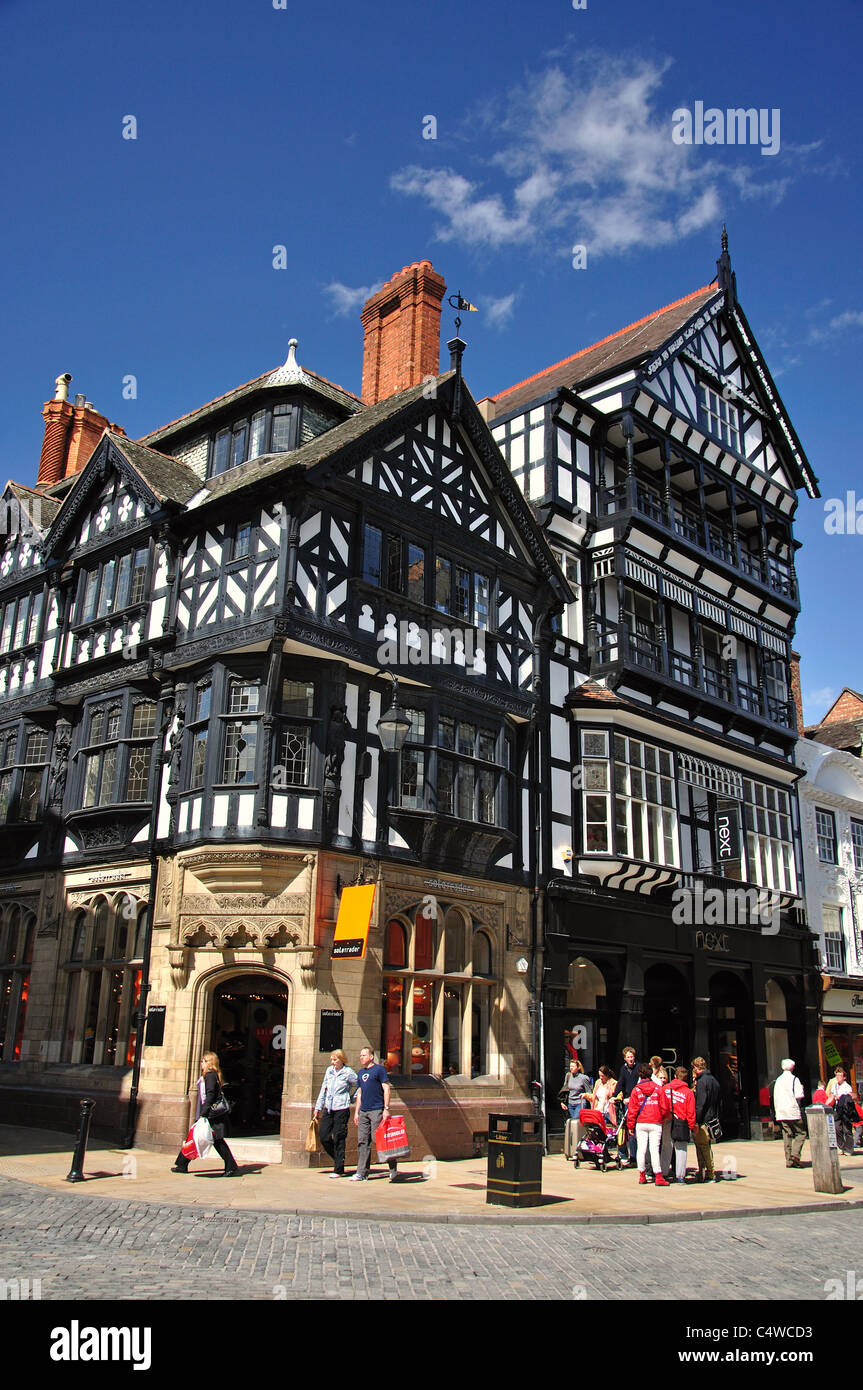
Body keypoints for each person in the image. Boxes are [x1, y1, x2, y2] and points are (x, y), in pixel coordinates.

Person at [172, 1052, 240, 1177]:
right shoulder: (212, 1075)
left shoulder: (210, 1075)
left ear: (209, 1063)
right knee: (197, 1137)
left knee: (209, 1140)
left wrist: (204, 1113)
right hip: (210, 1114)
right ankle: (182, 1164)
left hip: (211, 1115)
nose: (201, 1063)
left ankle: (231, 1166)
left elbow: (210, 1094)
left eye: (203, 1061)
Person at [351, 1046, 398, 1182]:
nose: (361, 1057)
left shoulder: (379, 1070)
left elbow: (386, 1088)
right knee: (362, 1141)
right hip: (364, 1111)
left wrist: (386, 1108)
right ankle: (362, 1172)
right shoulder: (360, 1073)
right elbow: (359, 1093)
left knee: (378, 1139)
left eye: (364, 1055)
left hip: (377, 1109)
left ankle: (392, 1167)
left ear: (371, 1057)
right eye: (360, 1055)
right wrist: (356, 1112)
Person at [313, 1049, 358, 1178]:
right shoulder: (329, 1071)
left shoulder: (348, 1072)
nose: (333, 1062)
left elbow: (360, 1084)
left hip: (341, 1108)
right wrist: (318, 1107)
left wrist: (352, 1098)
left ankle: (338, 1169)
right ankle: (339, 1159)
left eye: (335, 1060)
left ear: (341, 1060)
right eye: (331, 1060)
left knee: (339, 1136)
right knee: (324, 1136)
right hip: (328, 1107)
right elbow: (323, 1089)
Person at [626, 1062, 671, 1185]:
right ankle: (658, 1177)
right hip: (655, 1122)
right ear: (651, 1073)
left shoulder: (636, 1090)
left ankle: (642, 1176)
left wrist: (630, 1126)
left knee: (641, 1149)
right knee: (654, 1150)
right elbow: (664, 1107)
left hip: (641, 1123)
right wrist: (665, 1117)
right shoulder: (658, 1088)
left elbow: (632, 1110)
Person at [663, 1066, 697, 1182]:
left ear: (675, 1076)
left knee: (666, 1147)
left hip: (667, 1120)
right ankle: (680, 1176)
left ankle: (663, 1173)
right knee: (681, 1148)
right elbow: (691, 1112)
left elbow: (661, 1106)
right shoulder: (688, 1093)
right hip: (682, 1122)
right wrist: (692, 1126)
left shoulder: (665, 1088)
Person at [692, 1056, 721, 1183]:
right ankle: (705, 1172)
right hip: (712, 1116)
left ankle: (709, 1173)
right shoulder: (714, 1079)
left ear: (697, 1068)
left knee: (703, 1146)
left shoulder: (702, 1082)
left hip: (704, 1119)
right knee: (706, 1146)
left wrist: (696, 1120)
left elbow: (701, 1103)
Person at [772, 1058, 806, 1168]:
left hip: (781, 1111)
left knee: (787, 1134)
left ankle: (788, 1160)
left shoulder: (778, 1080)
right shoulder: (794, 1079)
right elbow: (799, 1095)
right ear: (792, 1067)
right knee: (801, 1133)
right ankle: (795, 1155)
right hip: (792, 1110)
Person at [615, 1046, 640, 1166]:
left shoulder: (638, 1068)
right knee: (627, 1130)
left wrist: (633, 1098)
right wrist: (614, 1096)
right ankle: (629, 1155)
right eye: (628, 1057)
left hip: (636, 1101)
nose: (630, 1059)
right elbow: (621, 1083)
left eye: (632, 1056)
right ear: (625, 1058)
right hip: (627, 1101)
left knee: (634, 1130)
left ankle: (635, 1157)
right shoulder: (623, 1069)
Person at [827, 1067, 855, 1154]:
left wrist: (843, 1097)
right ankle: (841, 1147)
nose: (838, 1078)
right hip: (837, 1109)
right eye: (837, 1076)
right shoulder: (834, 1086)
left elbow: (851, 1098)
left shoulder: (847, 1087)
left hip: (846, 1110)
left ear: (844, 1077)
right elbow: (831, 1095)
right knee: (837, 1128)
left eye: (840, 1076)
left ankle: (849, 1149)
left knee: (847, 1130)